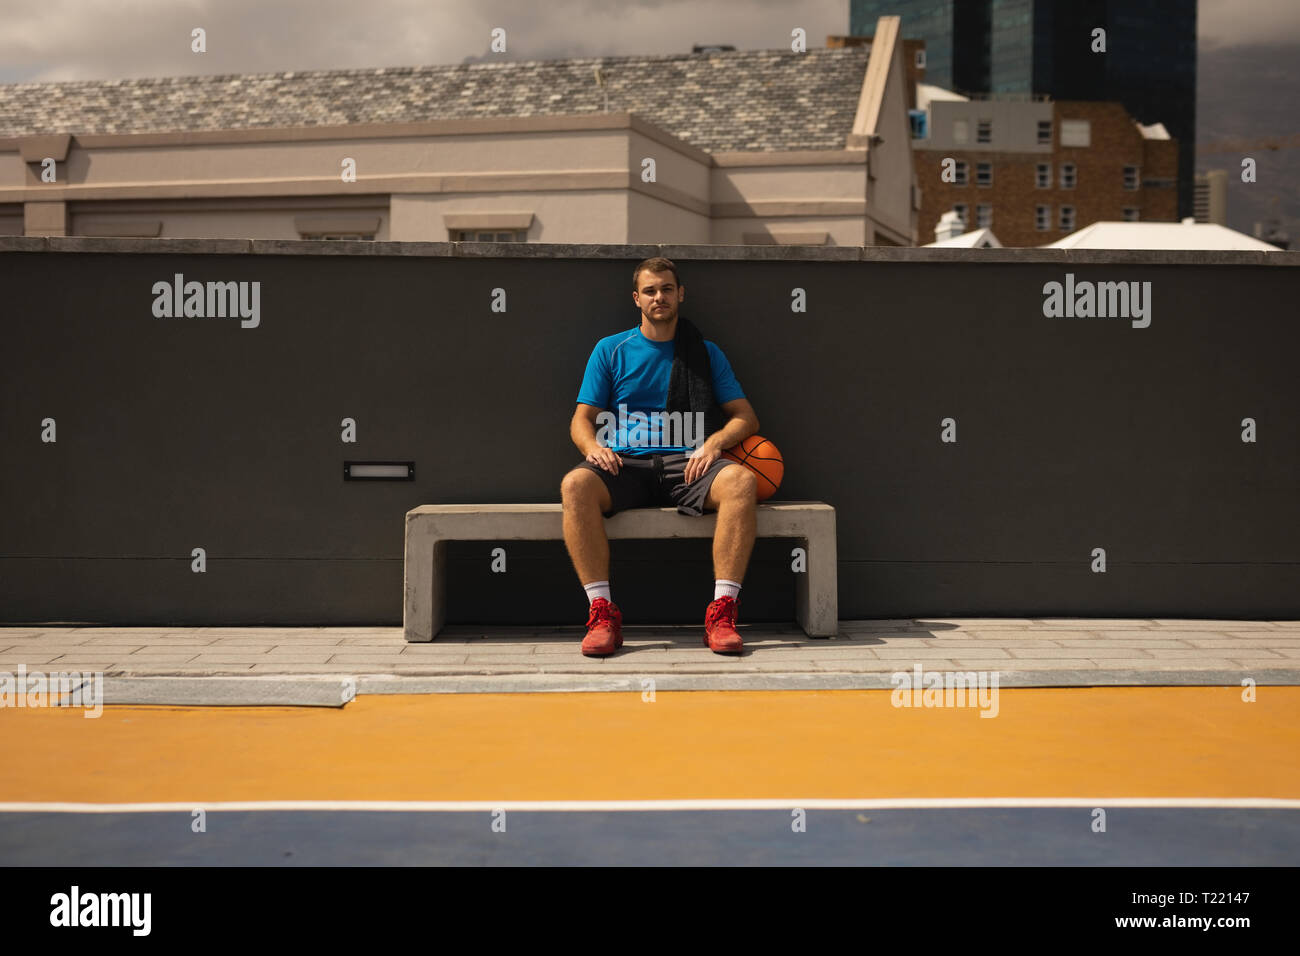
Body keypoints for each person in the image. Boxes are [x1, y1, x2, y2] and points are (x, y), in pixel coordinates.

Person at [560, 257, 761, 657]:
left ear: (680, 294)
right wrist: (594, 448)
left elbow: (746, 417)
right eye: (650, 291)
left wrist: (713, 443)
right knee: (575, 484)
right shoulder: (611, 349)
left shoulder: (703, 352)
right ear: (637, 299)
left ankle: (722, 614)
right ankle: (601, 613)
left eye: (667, 289)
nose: (659, 297)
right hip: (625, 463)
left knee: (742, 480)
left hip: (688, 461)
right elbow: (581, 420)